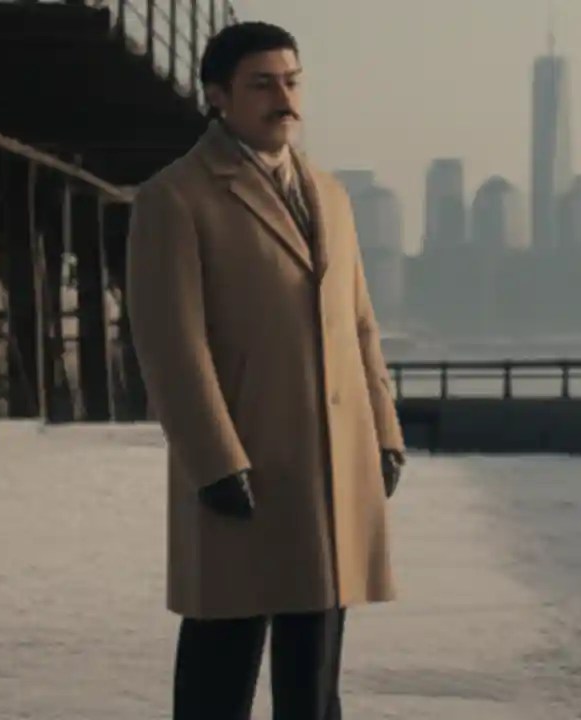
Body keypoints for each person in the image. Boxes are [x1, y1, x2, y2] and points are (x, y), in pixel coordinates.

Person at [124, 21, 407, 720]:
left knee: (314, 684)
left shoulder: (331, 196)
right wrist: (214, 462)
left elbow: (360, 325)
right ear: (218, 97)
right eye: (262, 84)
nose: (284, 98)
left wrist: (384, 431)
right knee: (221, 667)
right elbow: (170, 343)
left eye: (291, 80)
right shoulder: (176, 197)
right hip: (246, 459)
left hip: (332, 469)